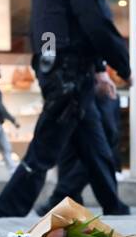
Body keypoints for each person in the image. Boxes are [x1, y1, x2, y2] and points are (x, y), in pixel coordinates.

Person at [0, 0, 131, 217]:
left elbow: (61, 26)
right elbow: (95, 22)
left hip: (66, 74)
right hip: (69, 77)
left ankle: (114, 207)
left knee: (96, 144)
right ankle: (7, 212)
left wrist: (98, 70)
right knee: (44, 151)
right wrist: (122, 65)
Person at [36, 68, 121, 214]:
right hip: (86, 93)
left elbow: (109, 130)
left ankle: (62, 199)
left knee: (83, 163)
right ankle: (64, 201)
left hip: (82, 94)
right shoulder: (94, 88)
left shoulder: (100, 90)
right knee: (87, 162)